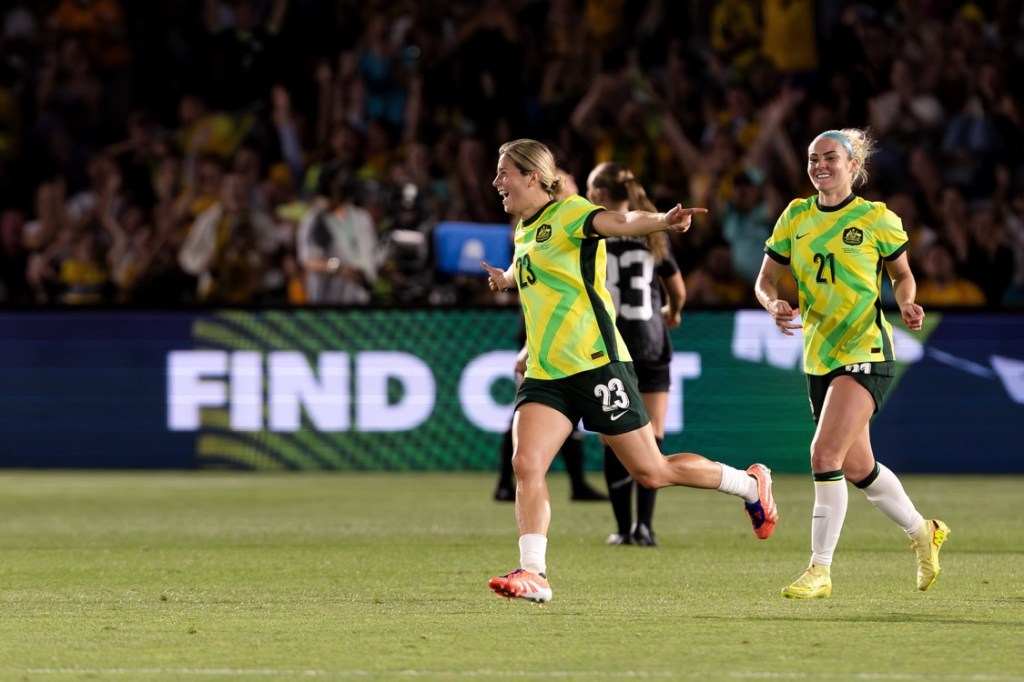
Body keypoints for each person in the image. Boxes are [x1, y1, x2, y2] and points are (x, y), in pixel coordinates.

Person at [481, 138, 778, 603]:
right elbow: (532, 264)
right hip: (547, 373)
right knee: (526, 463)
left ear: (532, 177)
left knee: (652, 471)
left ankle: (748, 483)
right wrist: (506, 277)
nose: (497, 182)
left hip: (597, 366)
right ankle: (533, 573)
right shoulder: (525, 228)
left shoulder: (572, 211)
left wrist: (661, 220)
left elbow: (620, 222)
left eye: (504, 173)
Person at [753, 128, 950, 600]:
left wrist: (907, 303)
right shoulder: (795, 216)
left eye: (831, 158)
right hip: (818, 357)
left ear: (853, 165)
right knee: (859, 466)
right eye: (813, 158)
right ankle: (924, 532)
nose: (820, 165)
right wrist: (772, 303)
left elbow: (903, 275)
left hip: (866, 351)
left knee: (824, 456)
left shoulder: (876, 219)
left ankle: (819, 570)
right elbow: (765, 279)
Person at [585, 160, 686, 547]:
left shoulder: (592, 232)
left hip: (611, 345)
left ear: (596, 195)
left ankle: (623, 527)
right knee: (653, 436)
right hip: (652, 341)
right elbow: (678, 291)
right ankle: (646, 527)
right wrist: (672, 314)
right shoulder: (652, 235)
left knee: (613, 436)